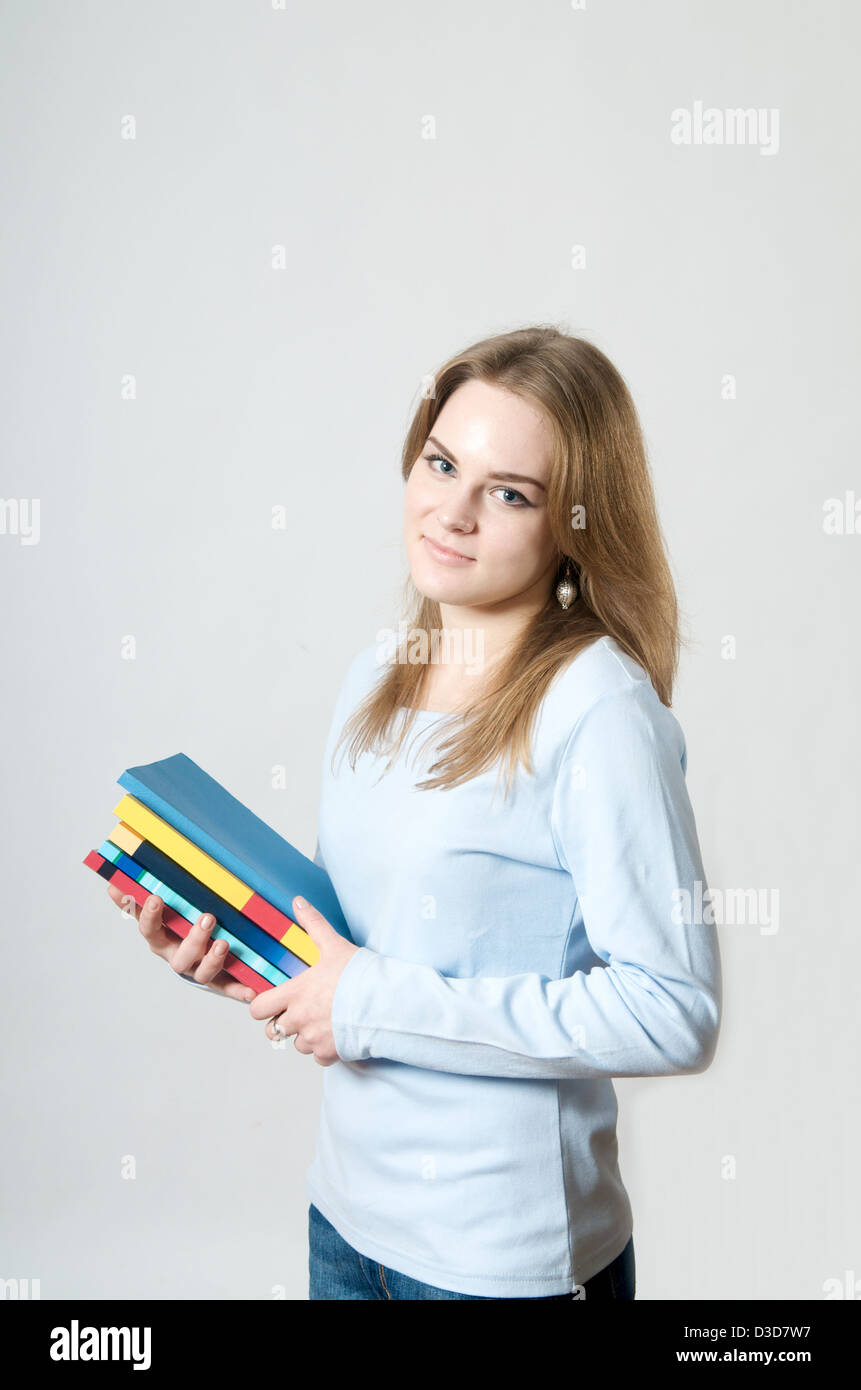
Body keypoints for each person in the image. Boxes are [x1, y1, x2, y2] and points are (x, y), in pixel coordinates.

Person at [108, 325, 722, 1300]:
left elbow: (673, 1011)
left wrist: (365, 1000)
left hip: (499, 1265)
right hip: (346, 1226)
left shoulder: (598, 712)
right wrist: (243, 952)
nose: (454, 510)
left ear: (571, 522)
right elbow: (361, 950)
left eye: (508, 492)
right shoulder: (375, 677)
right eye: (442, 462)